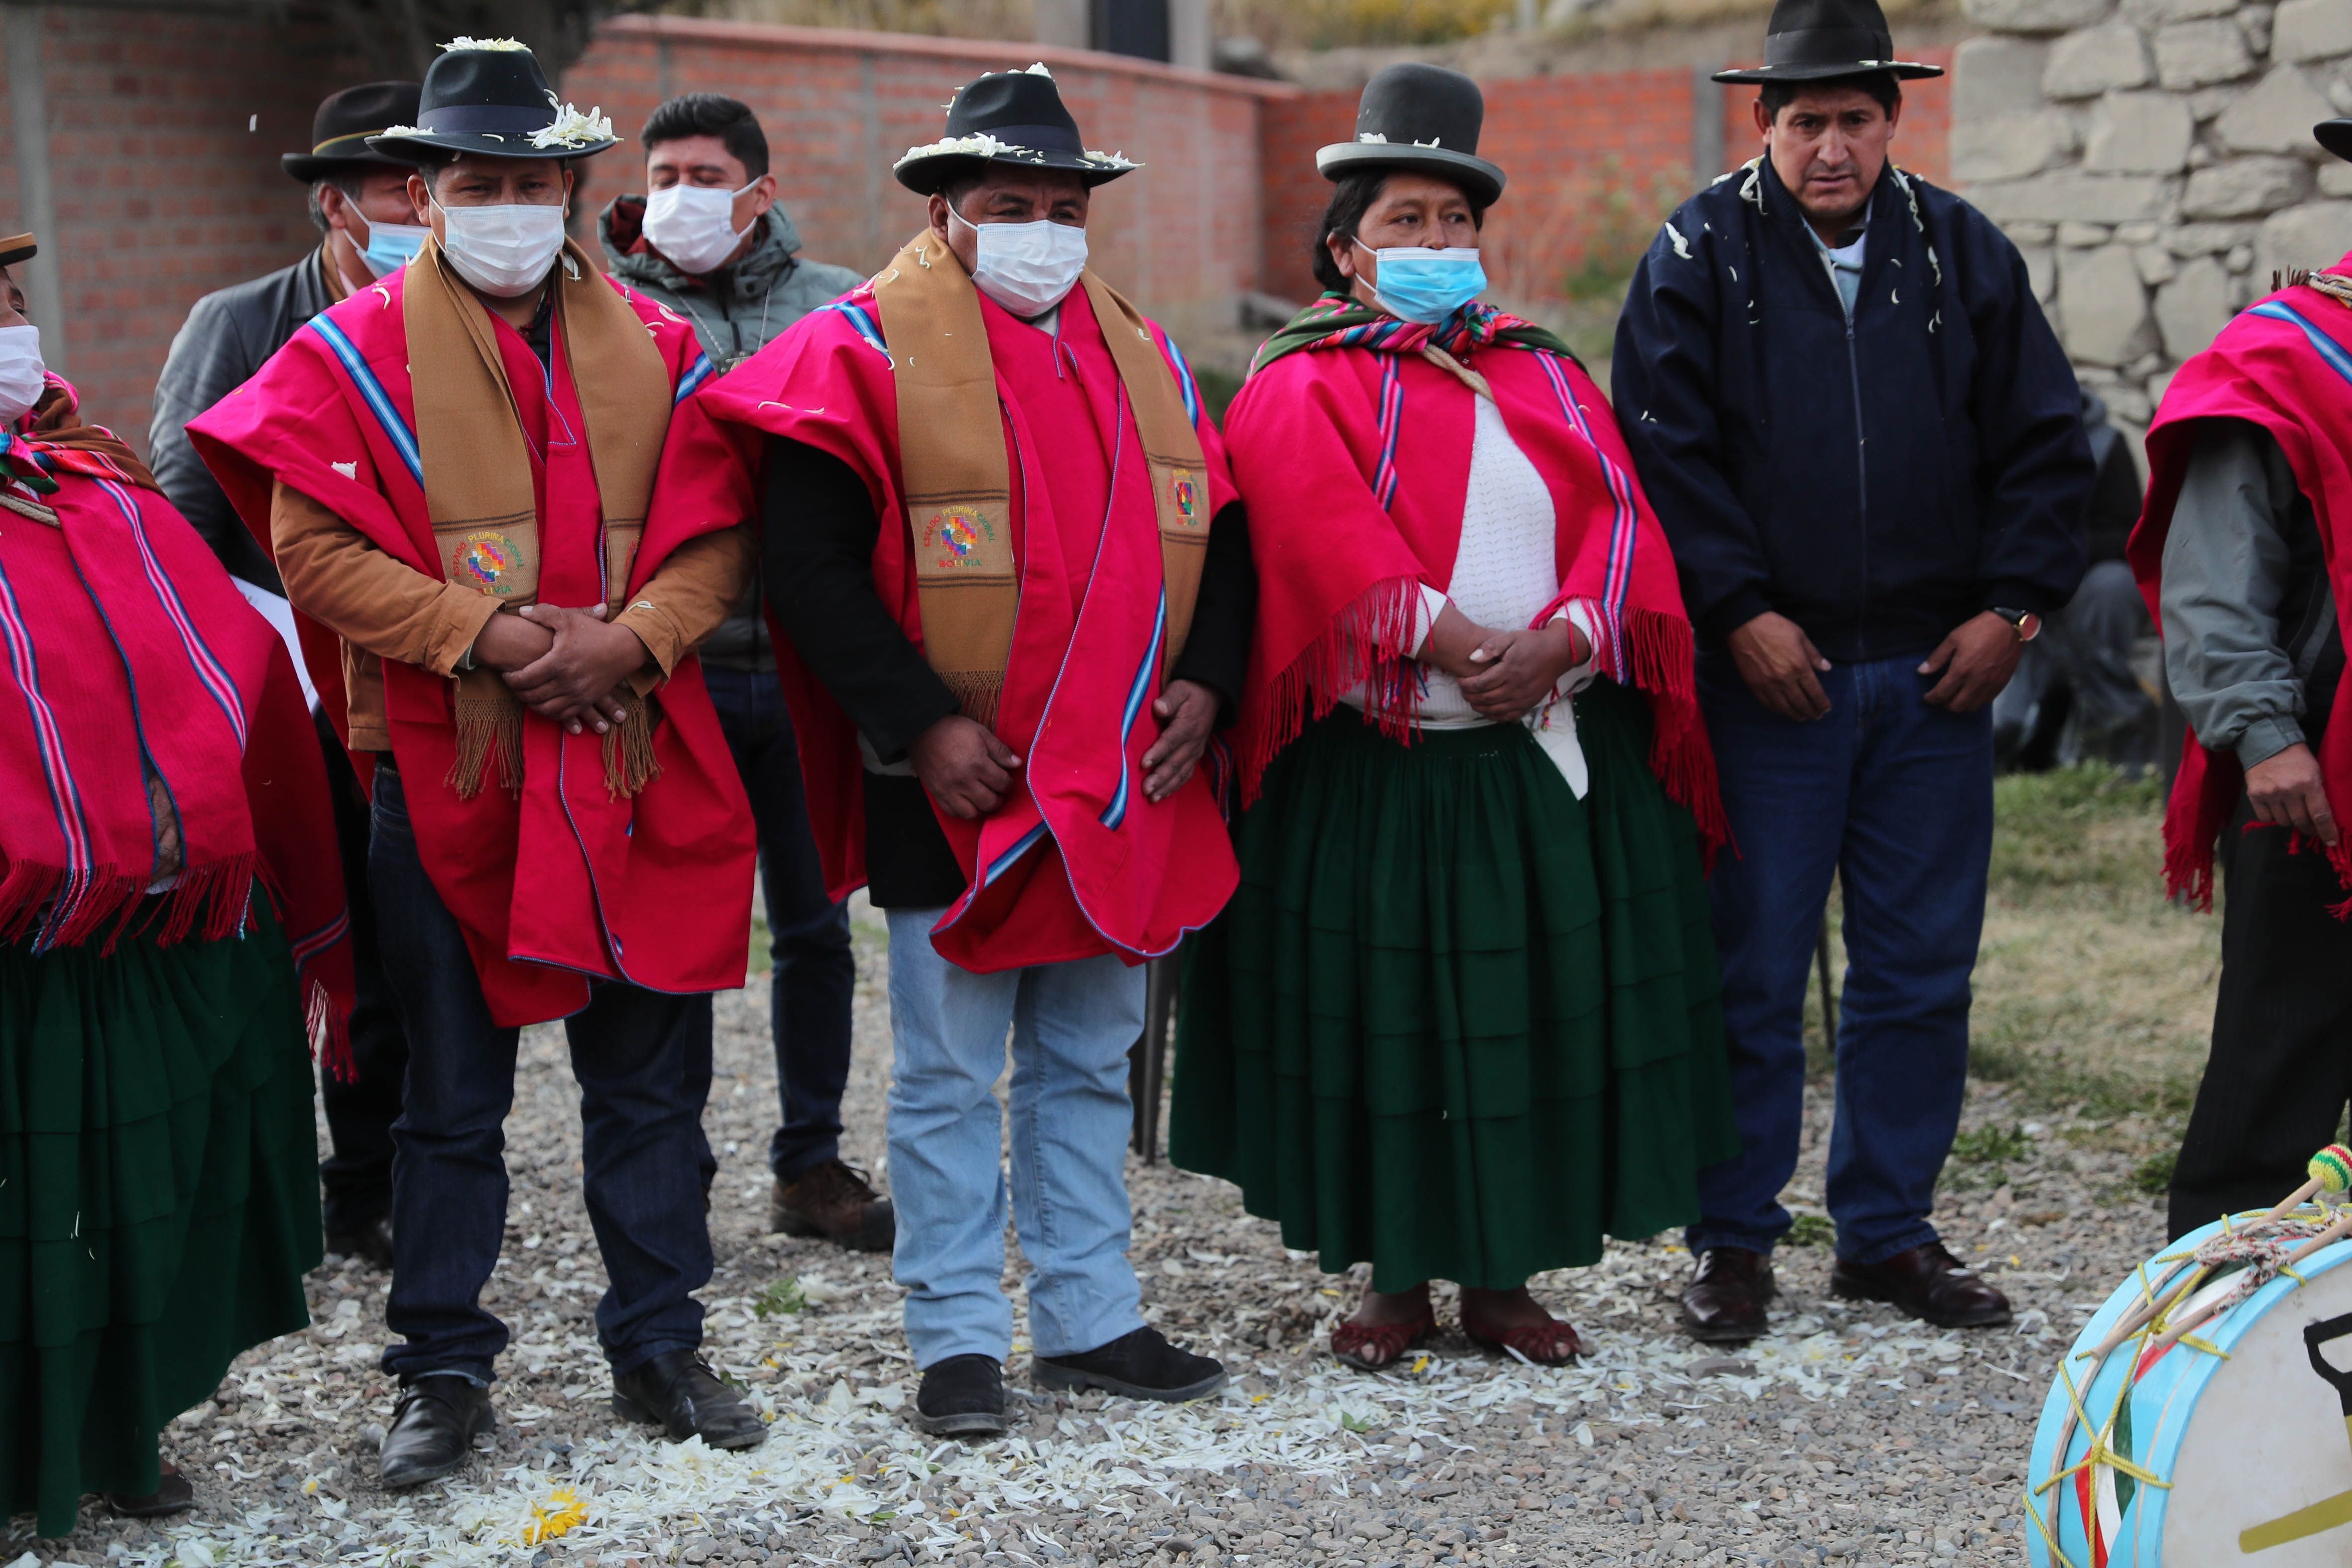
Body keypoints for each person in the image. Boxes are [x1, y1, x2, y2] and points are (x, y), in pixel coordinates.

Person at [186, 39, 763, 1487]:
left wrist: (625, 645)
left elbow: (715, 535)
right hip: (444, 767)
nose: (507, 204)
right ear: (426, 193)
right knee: (448, 1091)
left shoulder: (663, 345)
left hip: (628, 747)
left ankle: (659, 1338)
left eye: (531, 183)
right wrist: (488, 638)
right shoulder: (344, 352)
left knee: (647, 1080)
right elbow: (307, 546)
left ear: (571, 193)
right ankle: (439, 1368)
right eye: (476, 182)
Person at [656, 64, 1253, 1438]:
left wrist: (1209, 686)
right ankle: (956, 1339)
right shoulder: (850, 352)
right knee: (943, 1067)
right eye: (1007, 204)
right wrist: (921, 724)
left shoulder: (1145, 353)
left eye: (1062, 206)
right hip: (953, 777)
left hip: (1115, 772)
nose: (1040, 228)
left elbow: (1222, 534)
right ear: (943, 211)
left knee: (1091, 1052)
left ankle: (1092, 1314)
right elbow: (805, 573)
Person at [1168, 64, 1739, 1370]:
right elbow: (1318, 533)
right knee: (1395, 1016)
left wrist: (1562, 643)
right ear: (1342, 249)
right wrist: (1458, 640)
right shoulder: (1299, 381)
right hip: (1387, 761)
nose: (1434, 243)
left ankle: (1503, 1272)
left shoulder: (1538, 371)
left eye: (1452, 220)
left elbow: (1620, 524)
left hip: (1538, 747)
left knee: (1522, 1011)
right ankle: (1393, 1274)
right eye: (1404, 222)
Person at [1612, 0, 2093, 1342]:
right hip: (1771, 687)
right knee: (1752, 965)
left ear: (1892, 118)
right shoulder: (1695, 254)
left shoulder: (1960, 253)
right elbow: (1659, 457)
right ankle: (1733, 1238)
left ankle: (1885, 1230)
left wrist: (2014, 610)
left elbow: (2050, 445)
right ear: (1761, 119)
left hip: (1933, 686)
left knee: (1917, 972)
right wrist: (1736, 612)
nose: (1831, 145)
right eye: (1805, 118)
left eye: (1855, 118)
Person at [0, 233, 352, 1536]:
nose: (13, 328)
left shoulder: (100, 483)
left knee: (138, 1194)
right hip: (15, 951)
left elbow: (224, 665)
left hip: (151, 933)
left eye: (16, 302)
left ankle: (124, 1426)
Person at [599, 93, 886, 1251]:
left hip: (812, 668)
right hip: (674, 670)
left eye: (705, 174)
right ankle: (672, 1170)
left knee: (815, 926)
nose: (678, 195)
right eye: (661, 171)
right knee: (678, 922)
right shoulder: (599, 311)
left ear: (759, 191)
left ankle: (809, 1162)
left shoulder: (841, 303)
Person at [148, 80, 425, 1270]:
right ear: (332, 203)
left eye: (434, 183)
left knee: (424, 935)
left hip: (428, 668)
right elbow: (185, 500)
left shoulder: (469, 315)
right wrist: (255, 662)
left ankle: (418, 1159)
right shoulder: (243, 319)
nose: (419, 208)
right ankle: (345, 1182)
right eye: (393, 189)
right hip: (287, 683)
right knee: (337, 933)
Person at [2133, 117, 2352, 1240]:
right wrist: (2263, 732)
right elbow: (2216, 570)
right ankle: (2213, 1353)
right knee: (2278, 1065)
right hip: (2313, 773)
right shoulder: (2291, 351)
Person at [1994, 390, 2158, 774]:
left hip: (2087, 575)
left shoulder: (2105, 443)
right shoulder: (2004, 442)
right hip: (2022, 576)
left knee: (2111, 589)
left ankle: (2116, 721)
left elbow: (2126, 532)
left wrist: (2062, 552)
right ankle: (2013, 731)